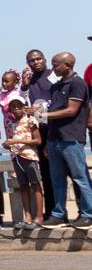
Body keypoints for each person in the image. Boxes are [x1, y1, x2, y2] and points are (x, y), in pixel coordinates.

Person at [39, 52, 92, 228]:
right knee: (57, 179)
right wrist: (47, 141)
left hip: (71, 138)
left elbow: (71, 110)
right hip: (55, 139)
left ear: (67, 65)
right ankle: (59, 215)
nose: (53, 69)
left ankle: (88, 214)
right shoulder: (56, 86)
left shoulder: (77, 83)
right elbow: (56, 112)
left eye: (56, 65)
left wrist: (43, 115)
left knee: (80, 177)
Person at [22, 49, 57, 217]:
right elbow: (23, 100)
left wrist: (40, 109)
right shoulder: (29, 80)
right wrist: (24, 85)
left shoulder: (53, 75)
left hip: (56, 128)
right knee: (46, 174)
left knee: (70, 173)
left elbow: (58, 101)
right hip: (40, 131)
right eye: (31, 60)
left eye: (38, 59)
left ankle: (85, 211)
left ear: (44, 59)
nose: (35, 62)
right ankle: (52, 211)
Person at [2, 99, 43, 230]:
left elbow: (38, 140)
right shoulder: (12, 124)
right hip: (16, 157)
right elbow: (14, 141)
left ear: (24, 107)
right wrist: (8, 145)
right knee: (23, 187)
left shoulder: (31, 120)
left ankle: (39, 217)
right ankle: (28, 217)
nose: (16, 110)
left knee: (36, 185)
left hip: (29, 156)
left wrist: (16, 141)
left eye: (18, 107)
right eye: (13, 108)